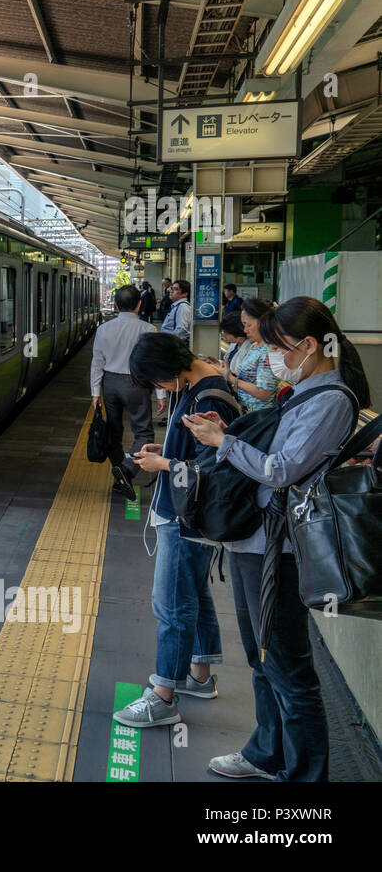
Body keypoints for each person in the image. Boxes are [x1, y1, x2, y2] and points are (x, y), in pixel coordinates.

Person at [184, 297, 370, 782]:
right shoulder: (302, 390)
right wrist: (228, 436)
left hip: (282, 550)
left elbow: (282, 471)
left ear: (309, 346)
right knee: (261, 655)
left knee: (288, 667)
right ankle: (267, 752)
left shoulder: (331, 400)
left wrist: (222, 444)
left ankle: (305, 775)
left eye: (278, 347)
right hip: (256, 543)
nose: (271, 357)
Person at [114, 332, 242, 729]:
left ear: (169, 370)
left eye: (156, 380)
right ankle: (199, 676)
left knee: (170, 606)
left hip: (186, 518)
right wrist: (164, 455)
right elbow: (198, 453)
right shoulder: (201, 386)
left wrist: (166, 467)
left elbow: (215, 468)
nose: (158, 388)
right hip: (190, 516)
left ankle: (163, 695)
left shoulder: (207, 398)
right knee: (194, 595)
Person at [90, 285, 161, 500]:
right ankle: (127, 470)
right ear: (140, 305)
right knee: (144, 433)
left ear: (116, 305)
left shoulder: (104, 329)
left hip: (110, 383)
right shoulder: (149, 330)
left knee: (113, 431)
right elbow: (153, 364)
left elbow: (97, 362)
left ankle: (121, 473)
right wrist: (161, 394)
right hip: (137, 384)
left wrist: (95, 392)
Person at [223, 298, 279, 411]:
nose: (245, 330)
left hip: (259, 415)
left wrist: (231, 378)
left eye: (248, 325)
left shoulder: (268, 351)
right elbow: (250, 374)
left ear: (262, 322)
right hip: (247, 409)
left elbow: (264, 393)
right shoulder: (255, 346)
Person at [162, 279, 192, 345]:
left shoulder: (183, 307)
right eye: (172, 288)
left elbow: (181, 331)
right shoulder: (177, 306)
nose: (171, 291)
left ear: (184, 294)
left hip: (175, 344)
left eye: (175, 289)